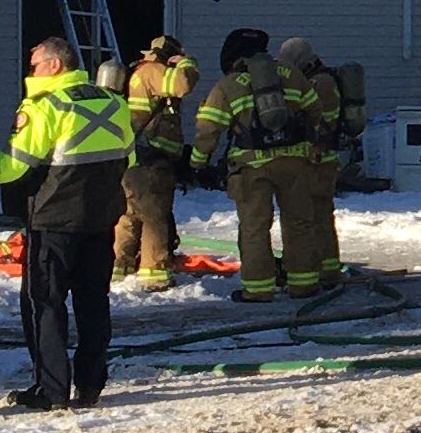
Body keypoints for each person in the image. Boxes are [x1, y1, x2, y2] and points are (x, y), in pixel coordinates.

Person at [0, 39, 132, 407]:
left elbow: (16, 166)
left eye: (35, 64)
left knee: (44, 303)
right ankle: (90, 385)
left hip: (54, 221)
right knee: (93, 303)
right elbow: (128, 159)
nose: (31, 72)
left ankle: (51, 390)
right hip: (100, 219)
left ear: (55, 66)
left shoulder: (44, 107)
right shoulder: (114, 103)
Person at [191, 27, 300, 300]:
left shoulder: (229, 85)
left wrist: (198, 163)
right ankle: (304, 283)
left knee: (254, 226)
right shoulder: (290, 74)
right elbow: (315, 111)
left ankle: (258, 289)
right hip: (296, 162)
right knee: (299, 222)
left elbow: (208, 129)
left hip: (252, 167)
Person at [269, 37, 355, 297]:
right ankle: (327, 269)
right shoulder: (320, 79)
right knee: (319, 217)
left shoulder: (320, 83)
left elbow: (314, 120)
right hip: (320, 159)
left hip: (318, 160)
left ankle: (321, 270)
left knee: (311, 217)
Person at [117, 33, 198, 293]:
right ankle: (155, 273)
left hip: (133, 155)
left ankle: (120, 266)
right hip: (152, 156)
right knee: (154, 215)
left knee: (128, 214)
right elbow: (183, 84)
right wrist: (186, 63)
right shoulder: (153, 71)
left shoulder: (136, 72)